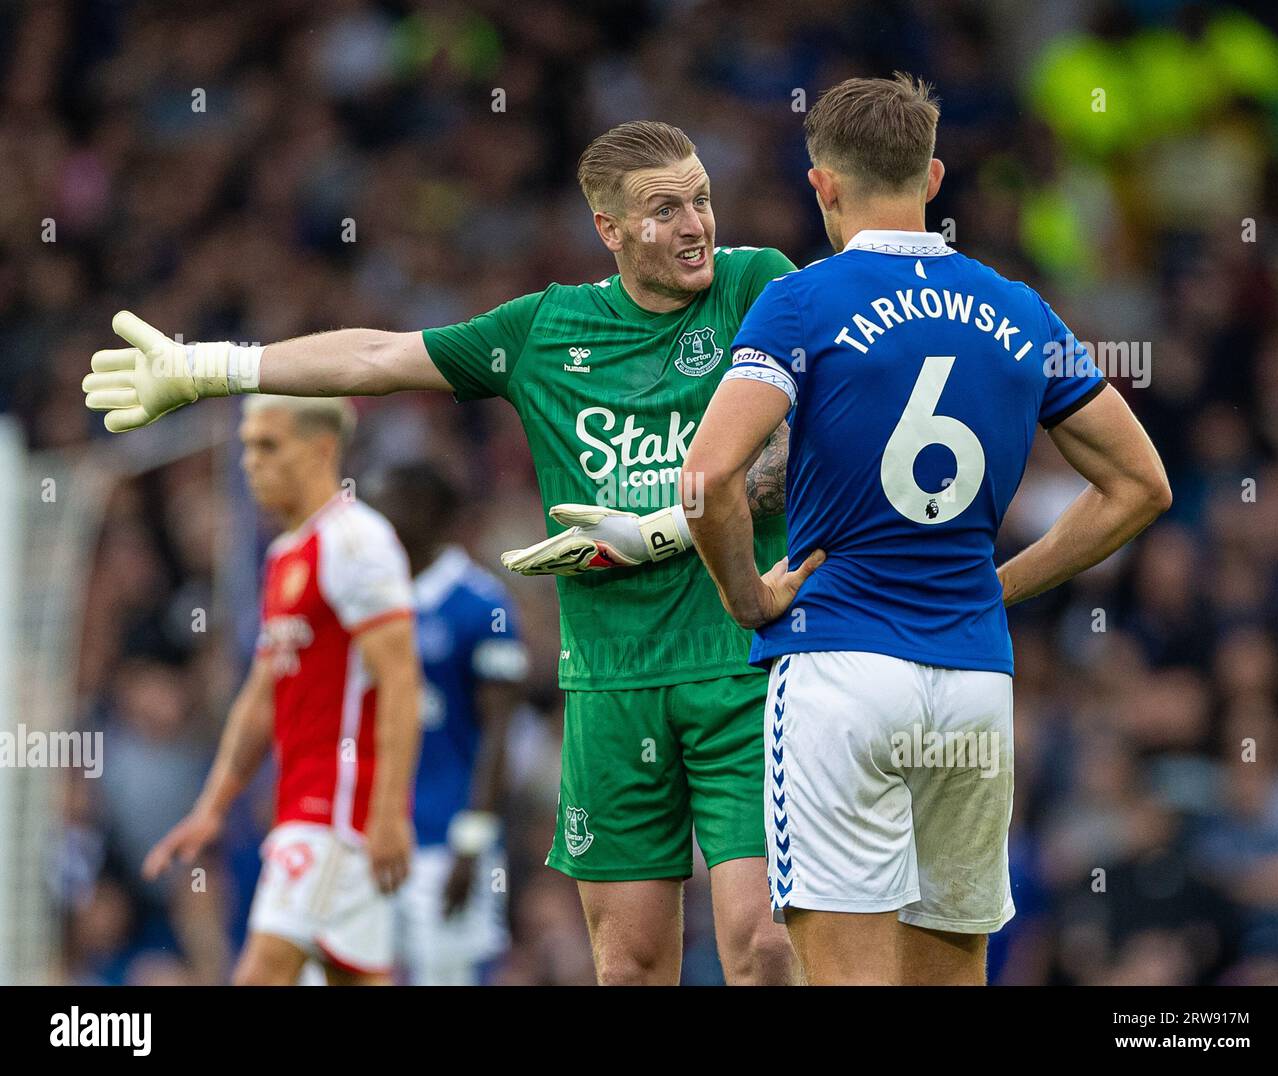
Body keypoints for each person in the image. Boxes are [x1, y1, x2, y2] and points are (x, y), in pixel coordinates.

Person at [84, 121, 800, 985]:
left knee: (760, 943)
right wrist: (211, 367)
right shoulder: (547, 329)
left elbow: (801, 447)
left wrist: (667, 529)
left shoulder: (758, 285)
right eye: (665, 210)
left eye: (702, 199)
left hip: (741, 665)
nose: (696, 226)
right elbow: (380, 355)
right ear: (609, 230)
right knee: (633, 963)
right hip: (610, 685)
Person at [682, 74, 1172, 986]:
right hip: (975, 687)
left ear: (822, 183)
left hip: (841, 671)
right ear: (935, 175)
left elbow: (707, 476)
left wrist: (747, 596)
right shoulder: (1023, 311)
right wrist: (1004, 584)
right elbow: (1140, 484)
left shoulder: (802, 303)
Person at [142, 395, 421, 985]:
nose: (249, 463)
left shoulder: (356, 543)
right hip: (309, 809)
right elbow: (263, 696)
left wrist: (389, 813)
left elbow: (401, 681)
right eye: (246, 446)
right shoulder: (283, 554)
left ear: (322, 449)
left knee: (261, 973)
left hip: (339, 813)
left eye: (267, 445)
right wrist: (212, 808)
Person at [369, 461, 528, 985]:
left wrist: (473, 841)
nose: (379, 517)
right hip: (372, 834)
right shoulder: (367, 597)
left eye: (391, 503)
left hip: (445, 838)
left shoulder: (479, 604)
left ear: (427, 512)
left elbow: (499, 733)